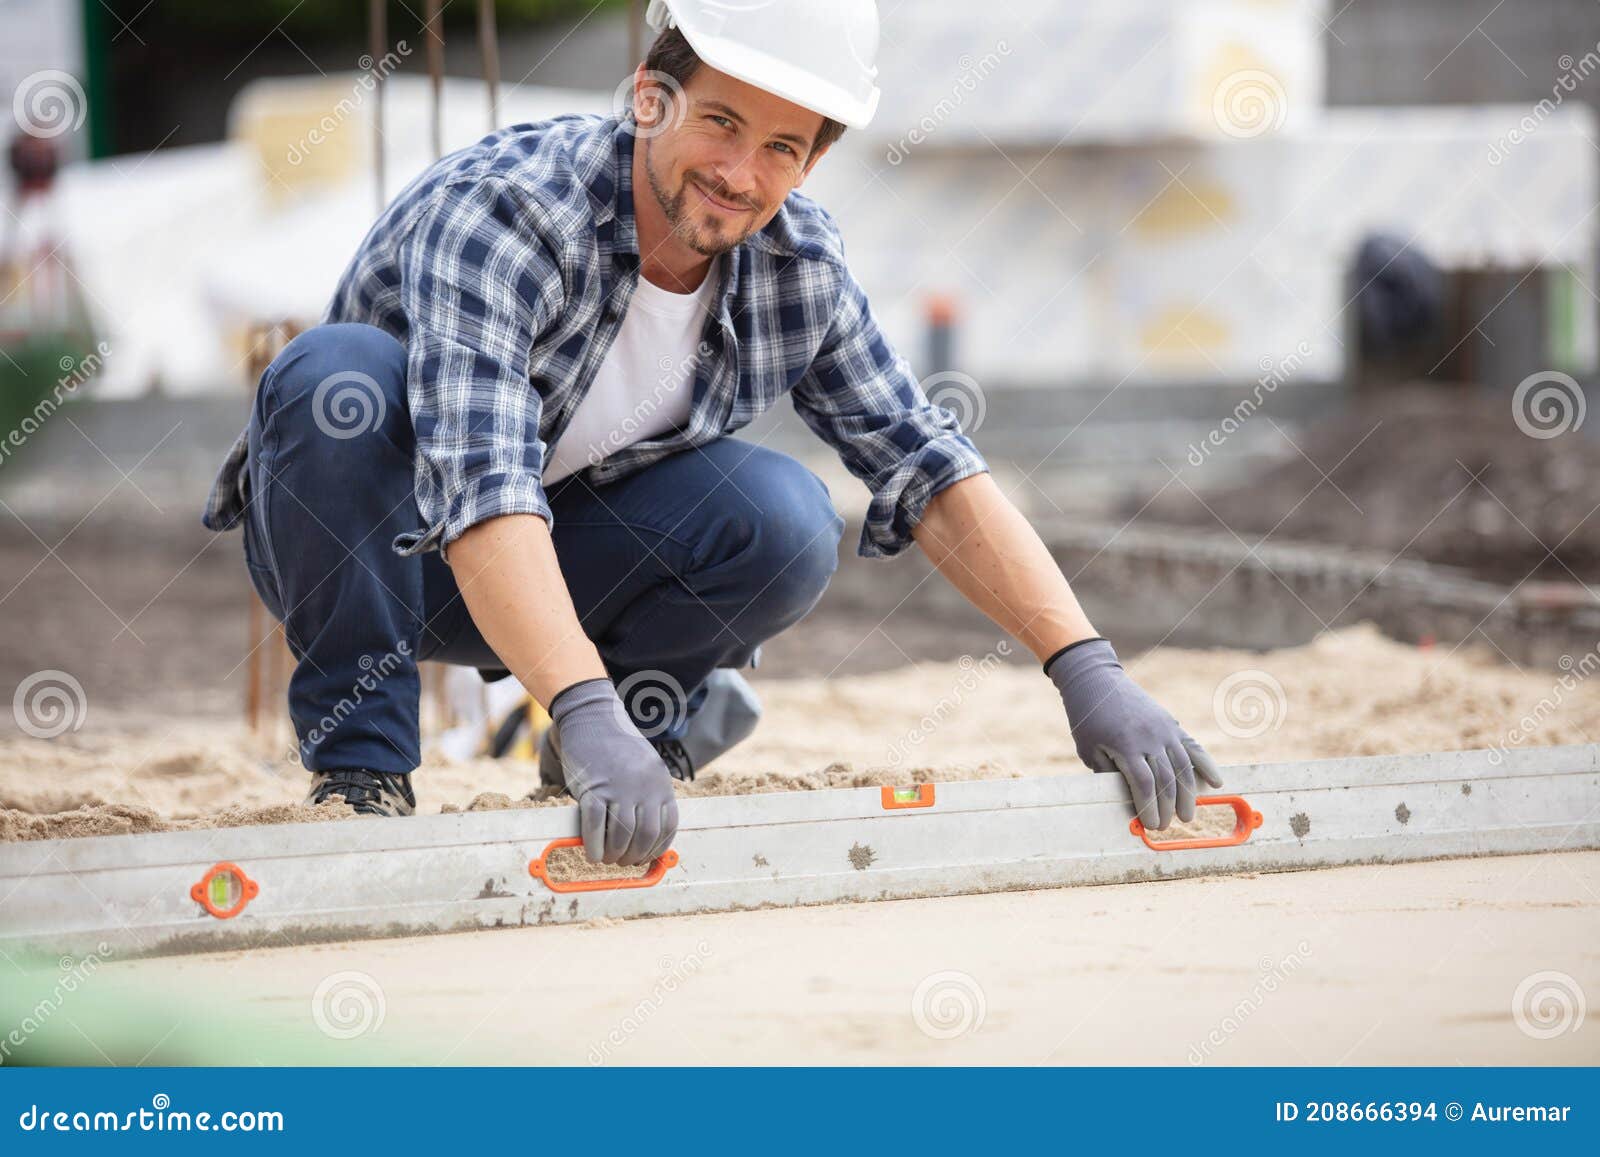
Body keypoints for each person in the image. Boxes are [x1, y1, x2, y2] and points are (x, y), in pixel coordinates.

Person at [202, 0, 1221, 866]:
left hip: (558, 558)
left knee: (784, 516)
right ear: (649, 94)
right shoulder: (509, 215)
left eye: (782, 146)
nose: (740, 172)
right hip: (375, 554)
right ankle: (364, 774)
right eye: (721, 123)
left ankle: (633, 733)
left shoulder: (796, 266)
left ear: (814, 158)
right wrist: (578, 701)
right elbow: (482, 487)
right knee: (338, 377)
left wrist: (1085, 666)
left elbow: (927, 464)